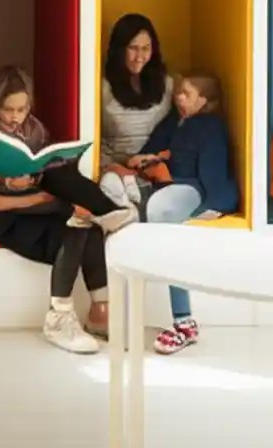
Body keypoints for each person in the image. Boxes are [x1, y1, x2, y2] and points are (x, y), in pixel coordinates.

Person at [0, 66, 137, 353]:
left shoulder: (34, 129)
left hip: (34, 201)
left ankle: (100, 313)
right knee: (74, 221)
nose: (16, 117)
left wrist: (43, 180)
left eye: (23, 108)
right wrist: (26, 194)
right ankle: (59, 317)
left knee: (81, 215)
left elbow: (41, 166)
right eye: (8, 110)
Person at [101, 74, 239, 355]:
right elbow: (146, 152)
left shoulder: (211, 127)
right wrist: (145, 160)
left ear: (203, 101)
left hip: (188, 188)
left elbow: (216, 176)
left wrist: (209, 210)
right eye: (178, 92)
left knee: (159, 209)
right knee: (109, 186)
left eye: (186, 94)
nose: (178, 97)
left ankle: (183, 320)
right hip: (155, 182)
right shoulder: (172, 121)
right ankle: (128, 213)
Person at [100, 14, 174, 176]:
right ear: (120, 49)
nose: (139, 57)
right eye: (133, 48)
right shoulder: (103, 89)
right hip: (115, 172)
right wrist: (115, 169)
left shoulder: (168, 85)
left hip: (157, 168)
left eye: (146, 48)